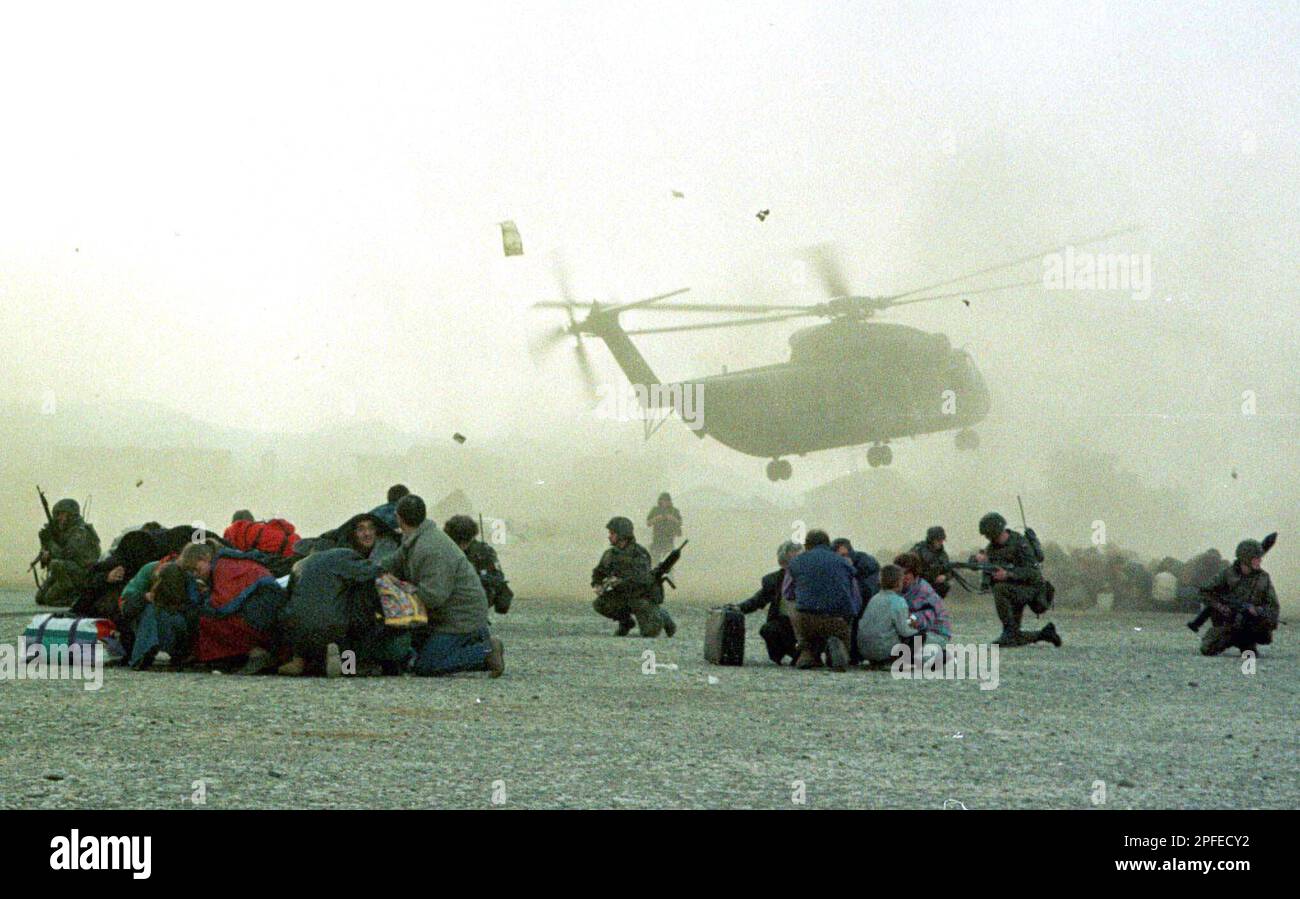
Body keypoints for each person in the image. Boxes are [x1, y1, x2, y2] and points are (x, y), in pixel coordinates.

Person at [385, 495, 504, 677]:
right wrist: (369, 569)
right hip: (447, 615)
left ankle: (486, 652)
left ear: (398, 517)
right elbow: (393, 562)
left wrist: (400, 587)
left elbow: (433, 598)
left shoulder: (430, 547)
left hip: (460, 619)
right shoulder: (416, 539)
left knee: (427, 666)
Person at [279, 516, 391, 677]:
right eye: (360, 529)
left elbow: (289, 599)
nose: (367, 533)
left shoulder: (299, 565)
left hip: (299, 637)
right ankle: (349, 666)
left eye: (370, 528)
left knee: (304, 615)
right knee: (359, 608)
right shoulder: (344, 555)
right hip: (336, 632)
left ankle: (299, 662)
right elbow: (370, 571)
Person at [976, 512, 1061, 648]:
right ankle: (1045, 634)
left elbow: (1033, 573)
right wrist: (977, 560)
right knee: (1011, 640)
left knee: (1000, 589)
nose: (988, 539)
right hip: (1015, 591)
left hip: (1032, 590)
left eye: (989, 535)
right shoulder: (992, 548)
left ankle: (1009, 631)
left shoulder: (1021, 544)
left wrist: (1008, 574)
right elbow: (980, 562)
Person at [785, 529, 860, 671]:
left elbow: (788, 593)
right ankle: (838, 647)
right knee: (840, 637)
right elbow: (854, 593)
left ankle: (807, 652)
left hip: (807, 620)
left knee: (795, 609)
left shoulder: (796, 562)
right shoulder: (843, 562)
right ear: (828, 544)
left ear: (807, 545)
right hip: (838, 619)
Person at [1193, 539, 1279, 657]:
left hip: (1251, 625)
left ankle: (1247, 643)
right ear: (1245, 559)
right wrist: (1220, 607)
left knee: (1251, 641)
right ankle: (1237, 640)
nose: (1260, 560)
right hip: (1228, 624)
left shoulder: (1263, 578)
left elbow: (1273, 608)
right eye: (1256, 558)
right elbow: (1204, 592)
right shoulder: (1227, 574)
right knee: (1207, 649)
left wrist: (1258, 611)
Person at [592, 517, 671, 637]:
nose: (609, 536)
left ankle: (662, 615)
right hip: (623, 596)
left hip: (641, 597)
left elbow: (642, 580)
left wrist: (620, 582)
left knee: (649, 634)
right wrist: (597, 584)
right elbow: (599, 572)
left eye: (612, 533)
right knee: (600, 604)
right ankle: (626, 622)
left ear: (622, 535)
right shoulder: (610, 554)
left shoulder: (639, 554)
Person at [730, 540, 802, 664]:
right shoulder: (774, 580)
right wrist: (737, 608)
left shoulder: (812, 579)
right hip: (784, 624)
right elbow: (757, 601)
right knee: (768, 629)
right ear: (783, 563)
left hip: (806, 622)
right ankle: (793, 654)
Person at [35, 498, 102, 608]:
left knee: (50, 599)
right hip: (68, 572)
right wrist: (45, 545)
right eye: (57, 514)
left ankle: (73, 595)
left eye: (62, 514)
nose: (59, 518)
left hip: (83, 573)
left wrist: (51, 543)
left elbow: (65, 554)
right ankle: (67, 590)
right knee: (40, 598)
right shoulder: (65, 531)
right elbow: (46, 561)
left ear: (71, 514)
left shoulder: (80, 532)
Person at [444, 515, 514, 614]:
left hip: (476, 600)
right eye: (456, 541)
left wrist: (474, 578)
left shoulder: (484, 552)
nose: (461, 545)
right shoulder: (445, 551)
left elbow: (498, 577)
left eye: (464, 541)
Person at [894, 552, 952, 663]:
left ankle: (937, 656)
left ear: (915, 573)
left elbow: (925, 618)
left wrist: (908, 620)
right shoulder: (902, 590)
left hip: (935, 633)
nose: (903, 577)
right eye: (900, 573)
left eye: (907, 573)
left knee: (909, 655)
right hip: (914, 631)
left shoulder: (923, 591)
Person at [856, 565, 919, 667]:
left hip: (865, 650)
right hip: (884, 651)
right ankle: (903, 661)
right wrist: (914, 626)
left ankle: (877, 662)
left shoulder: (875, 598)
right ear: (898, 582)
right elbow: (904, 630)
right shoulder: (899, 601)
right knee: (919, 635)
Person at [911, 526, 952, 599]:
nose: (941, 542)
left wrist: (944, 577)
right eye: (938, 540)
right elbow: (909, 567)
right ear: (931, 540)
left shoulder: (943, 555)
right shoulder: (918, 550)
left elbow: (949, 571)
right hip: (919, 587)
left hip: (935, 590)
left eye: (942, 540)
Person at [646, 492, 683, 567]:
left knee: (668, 565)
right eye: (663, 500)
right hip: (657, 541)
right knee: (654, 563)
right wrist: (658, 518)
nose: (665, 502)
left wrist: (671, 518)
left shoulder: (674, 511)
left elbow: (680, 523)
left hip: (669, 541)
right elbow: (648, 523)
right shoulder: (655, 510)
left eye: (667, 501)